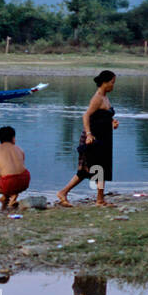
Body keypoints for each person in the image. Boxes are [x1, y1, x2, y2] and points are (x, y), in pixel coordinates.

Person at [57, 70, 119, 207]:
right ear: (104, 83)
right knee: (89, 168)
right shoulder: (97, 98)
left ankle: (99, 199)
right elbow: (86, 116)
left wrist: (112, 122)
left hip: (104, 138)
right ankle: (64, 192)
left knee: (100, 167)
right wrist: (89, 134)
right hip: (93, 137)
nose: (113, 86)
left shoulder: (105, 97)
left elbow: (103, 116)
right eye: (112, 83)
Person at [0, 125, 30, 211]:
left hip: (10, 183)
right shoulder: (20, 149)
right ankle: (8, 197)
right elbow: (17, 170)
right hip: (25, 181)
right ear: (13, 138)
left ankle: (10, 195)